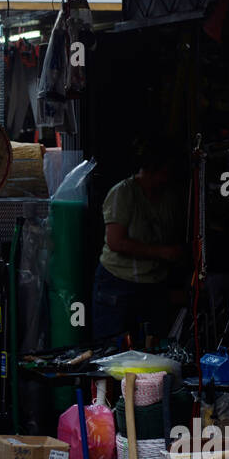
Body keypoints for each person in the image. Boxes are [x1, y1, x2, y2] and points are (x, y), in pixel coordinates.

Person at [93, 142, 185, 344]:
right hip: (118, 282)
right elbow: (116, 241)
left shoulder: (168, 197)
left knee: (152, 346)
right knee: (113, 347)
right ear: (153, 170)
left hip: (153, 284)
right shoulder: (123, 193)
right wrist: (161, 252)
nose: (168, 177)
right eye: (165, 171)